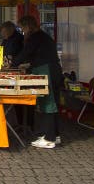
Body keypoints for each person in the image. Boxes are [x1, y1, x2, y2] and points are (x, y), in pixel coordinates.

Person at [10, 15, 62, 149]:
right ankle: (54, 135)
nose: (22, 31)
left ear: (28, 26)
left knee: (48, 103)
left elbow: (25, 53)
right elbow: (40, 54)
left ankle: (49, 139)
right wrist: (29, 65)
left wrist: (12, 64)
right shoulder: (42, 36)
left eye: (22, 28)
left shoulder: (35, 37)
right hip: (52, 69)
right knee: (52, 103)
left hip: (47, 71)